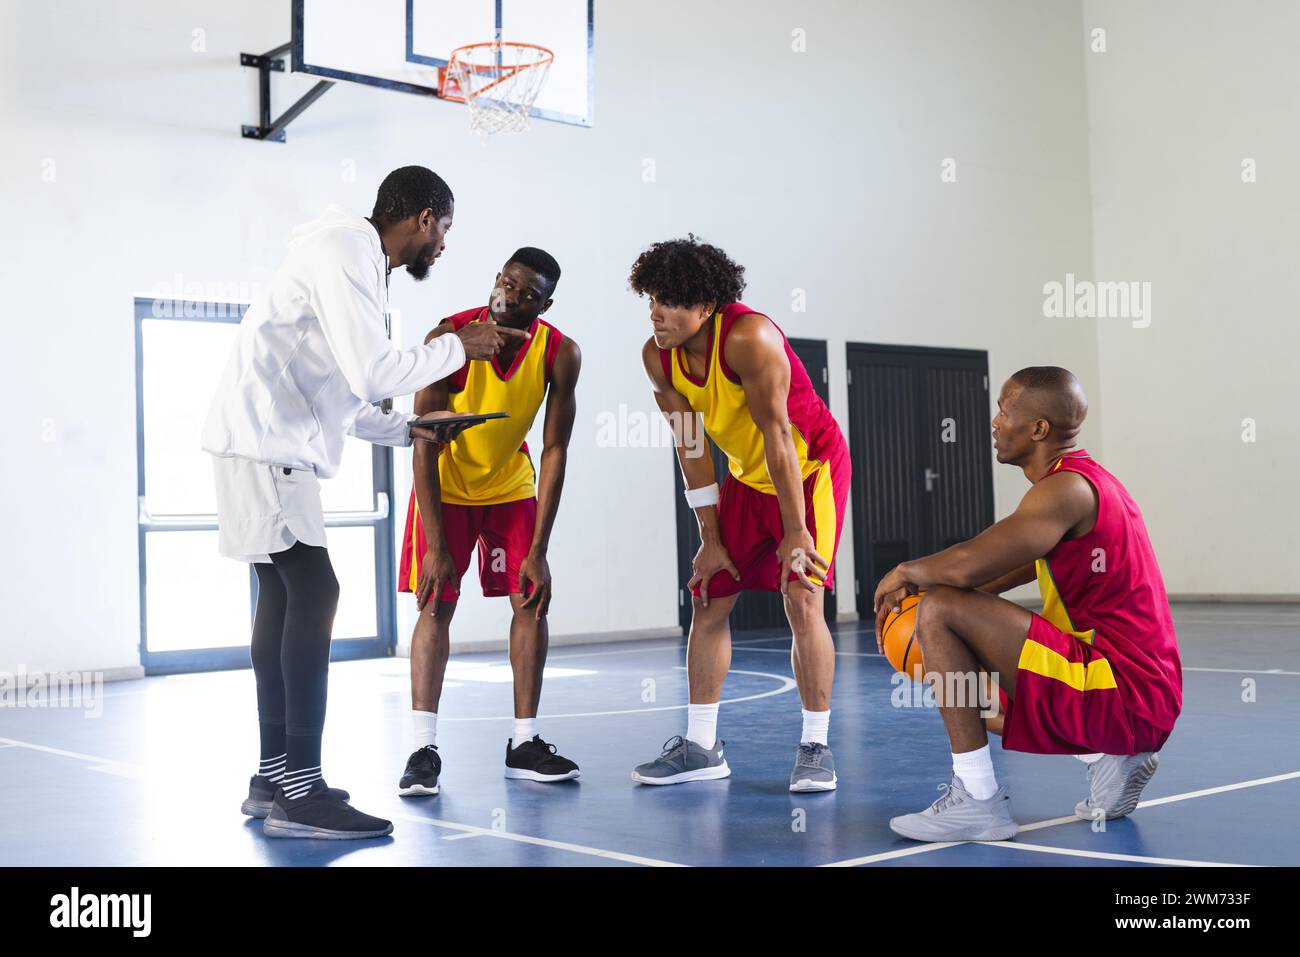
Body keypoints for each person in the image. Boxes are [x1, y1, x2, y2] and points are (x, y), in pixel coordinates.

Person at [202, 166, 527, 839]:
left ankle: (273, 777)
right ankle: (302, 788)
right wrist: (455, 347)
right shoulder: (347, 248)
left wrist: (411, 428)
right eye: (444, 230)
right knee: (314, 590)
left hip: (258, 440)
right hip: (269, 442)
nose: (442, 247)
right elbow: (376, 372)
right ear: (420, 216)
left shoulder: (350, 260)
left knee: (284, 594)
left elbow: (348, 398)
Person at [875, 366, 1181, 842]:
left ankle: (977, 801)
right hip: (1140, 693)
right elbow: (997, 573)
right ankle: (1109, 755)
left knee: (939, 611)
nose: (995, 422)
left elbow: (968, 566)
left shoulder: (1064, 491)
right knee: (955, 672)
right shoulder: (1086, 482)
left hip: (1119, 687)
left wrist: (904, 574)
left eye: (1004, 410)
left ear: (1039, 428)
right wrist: (934, 633)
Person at [627, 236, 851, 792]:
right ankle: (702, 746)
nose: (657, 311)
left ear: (707, 306)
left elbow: (778, 437)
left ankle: (816, 747)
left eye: (672, 301)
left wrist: (797, 532)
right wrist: (710, 535)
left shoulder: (750, 338)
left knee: (801, 596)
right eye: (652, 297)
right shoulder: (659, 357)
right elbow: (691, 444)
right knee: (710, 591)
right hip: (747, 477)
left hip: (807, 469)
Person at [396, 247, 582, 794]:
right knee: (436, 603)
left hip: (508, 486)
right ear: (497, 278)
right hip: (446, 486)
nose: (511, 297)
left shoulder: (559, 352)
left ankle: (524, 743)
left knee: (530, 598)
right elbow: (423, 442)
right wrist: (434, 545)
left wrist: (540, 548)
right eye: (508, 282)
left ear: (545, 303)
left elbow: (555, 450)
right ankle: (422, 749)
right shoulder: (449, 338)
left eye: (529, 294)